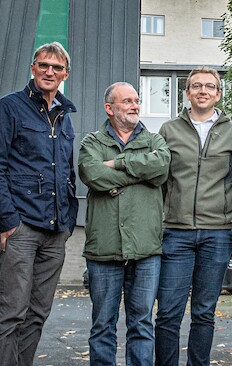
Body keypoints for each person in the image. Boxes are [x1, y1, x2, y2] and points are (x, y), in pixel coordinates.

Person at [0, 41, 78, 366]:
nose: (49, 71)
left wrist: (68, 222)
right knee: (12, 313)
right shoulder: (8, 108)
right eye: (43, 65)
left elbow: (66, 171)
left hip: (55, 231)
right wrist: (7, 221)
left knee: (37, 313)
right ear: (33, 68)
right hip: (21, 226)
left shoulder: (65, 116)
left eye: (56, 67)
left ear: (65, 73)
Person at [154, 68, 232, 366]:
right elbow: (159, 181)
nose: (202, 91)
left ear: (218, 93)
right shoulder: (169, 131)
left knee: (204, 312)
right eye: (196, 86)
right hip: (176, 233)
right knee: (168, 311)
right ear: (187, 93)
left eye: (209, 86)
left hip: (218, 233)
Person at [78, 82, 171, 366]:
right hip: (104, 248)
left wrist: (117, 165)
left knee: (142, 324)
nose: (135, 106)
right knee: (103, 325)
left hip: (145, 249)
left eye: (136, 100)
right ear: (110, 108)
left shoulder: (155, 141)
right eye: (127, 101)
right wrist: (140, 174)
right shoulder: (91, 143)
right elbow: (93, 175)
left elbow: (161, 169)